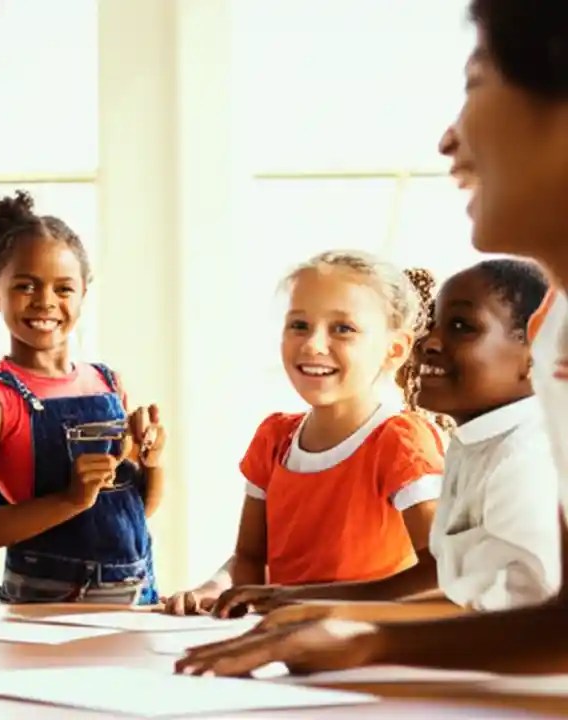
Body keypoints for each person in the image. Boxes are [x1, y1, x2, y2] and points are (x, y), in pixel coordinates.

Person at [176, 0, 568, 676]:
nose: (449, 139)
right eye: (297, 324)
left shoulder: (422, 439)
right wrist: (360, 635)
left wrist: (356, 623)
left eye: (476, 84)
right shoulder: (555, 330)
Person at [215, 259, 560, 627]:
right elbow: (459, 588)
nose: (431, 343)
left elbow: (505, 610)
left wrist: (326, 618)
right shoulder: (469, 447)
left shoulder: (523, 458)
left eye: (461, 326)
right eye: (299, 325)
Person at [163, 250, 444, 616]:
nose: (312, 345)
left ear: (395, 350)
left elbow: (442, 573)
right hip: (281, 646)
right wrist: (214, 588)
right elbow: (249, 559)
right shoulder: (273, 438)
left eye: (343, 329)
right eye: (299, 325)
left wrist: (300, 601)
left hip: (363, 652)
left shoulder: (400, 442)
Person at [0, 190, 165, 604]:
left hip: (138, 594)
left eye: (63, 289)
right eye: (26, 286)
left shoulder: (108, 382)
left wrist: (153, 463)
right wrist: (68, 500)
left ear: (84, 292)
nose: (45, 301)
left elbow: (136, 513)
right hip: (47, 599)